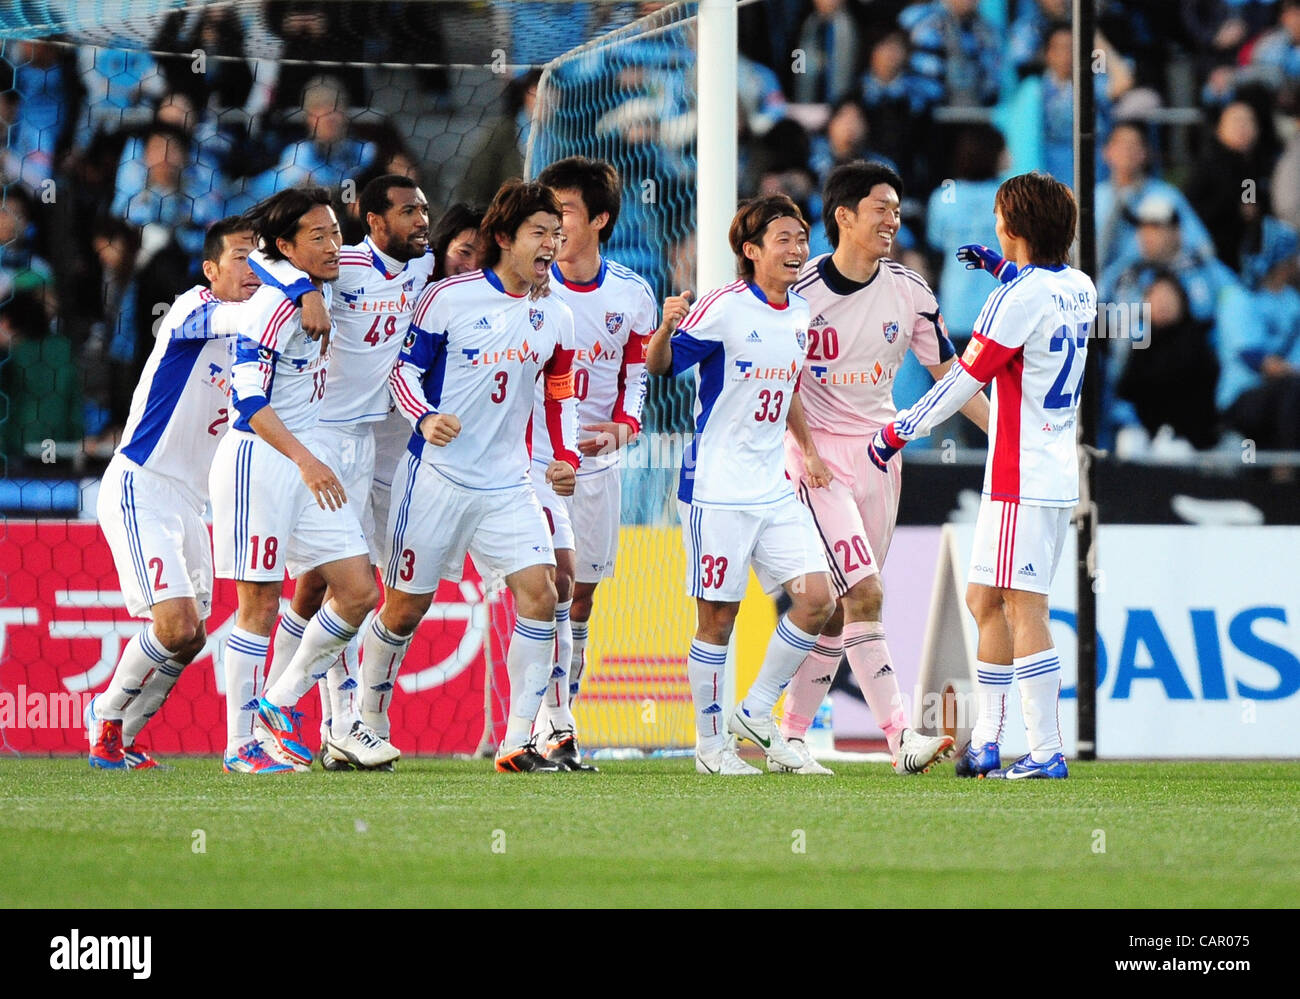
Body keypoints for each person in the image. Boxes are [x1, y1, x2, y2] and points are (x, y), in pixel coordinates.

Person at [869, 171, 1098, 780]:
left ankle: (1047, 751)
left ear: (1013, 226)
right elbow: (1038, 304)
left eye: (1000, 216)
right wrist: (1003, 269)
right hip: (1044, 469)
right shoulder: (1078, 285)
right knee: (983, 600)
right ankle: (991, 742)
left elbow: (965, 380)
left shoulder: (1014, 300)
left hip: (1020, 474)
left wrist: (898, 431)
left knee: (1024, 607)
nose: (994, 223)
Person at [366, 180, 580, 773]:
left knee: (542, 594)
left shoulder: (557, 315)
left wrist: (565, 457)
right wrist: (425, 416)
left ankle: (517, 740)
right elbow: (403, 372)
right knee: (406, 606)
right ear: (505, 238)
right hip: (436, 477)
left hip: (508, 484)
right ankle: (367, 718)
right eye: (540, 233)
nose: (551, 245)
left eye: (557, 235)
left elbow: (558, 393)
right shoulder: (449, 299)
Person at [781, 161, 986, 776]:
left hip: (879, 457)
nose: (892, 219)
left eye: (897, 209)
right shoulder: (798, 292)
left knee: (850, 605)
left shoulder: (911, 292)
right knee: (866, 591)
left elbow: (952, 379)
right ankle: (901, 738)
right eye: (881, 208)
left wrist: (1005, 434)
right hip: (814, 461)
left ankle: (788, 736)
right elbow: (773, 374)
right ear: (843, 216)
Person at [645, 194, 836, 776]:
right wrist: (665, 326)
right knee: (717, 621)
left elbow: (790, 384)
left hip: (773, 487)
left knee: (817, 599)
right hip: (716, 489)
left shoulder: (800, 312)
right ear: (751, 251)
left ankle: (753, 711)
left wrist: (806, 447)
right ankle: (709, 749)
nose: (797, 249)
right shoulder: (724, 308)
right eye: (783, 239)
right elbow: (660, 368)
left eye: (801, 238)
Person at [250, 175, 435, 770]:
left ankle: (312, 723)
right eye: (408, 211)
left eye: (424, 209)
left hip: (365, 442)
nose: (420, 220)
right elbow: (259, 255)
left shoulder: (420, 267)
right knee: (345, 588)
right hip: (318, 437)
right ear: (373, 220)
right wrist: (303, 287)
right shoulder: (340, 264)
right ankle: (321, 717)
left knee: (323, 588)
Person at [209, 186, 378, 774]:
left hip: (304, 460)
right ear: (287, 246)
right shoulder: (270, 308)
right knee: (258, 603)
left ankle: (279, 702)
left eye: (336, 232)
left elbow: (260, 256)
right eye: (320, 236)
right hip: (260, 460)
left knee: (359, 591)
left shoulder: (301, 282)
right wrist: (306, 460)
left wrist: (306, 283)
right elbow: (249, 400)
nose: (335, 244)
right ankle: (240, 746)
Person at [87, 216, 262, 770]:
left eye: (260, 256)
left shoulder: (255, 342)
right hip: (143, 485)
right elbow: (255, 313)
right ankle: (106, 714)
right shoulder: (191, 310)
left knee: (191, 638)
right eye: (240, 256)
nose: (252, 267)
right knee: (176, 626)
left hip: (193, 502)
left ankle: (124, 739)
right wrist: (300, 292)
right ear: (211, 270)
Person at [530, 157, 658, 770]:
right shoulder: (530, 286)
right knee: (548, 586)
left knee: (580, 598)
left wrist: (627, 427)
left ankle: (562, 710)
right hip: (536, 461)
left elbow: (635, 375)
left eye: (566, 213)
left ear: (600, 219)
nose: (554, 227)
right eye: (547, 214)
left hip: (596, 466)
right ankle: (547, 723)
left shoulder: (631, 293)